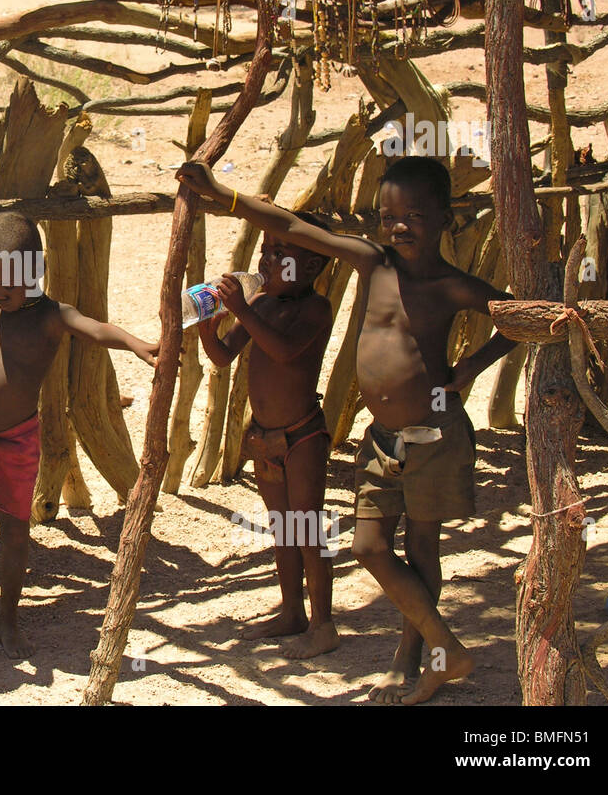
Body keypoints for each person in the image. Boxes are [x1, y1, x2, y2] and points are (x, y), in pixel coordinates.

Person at [177, 155, 515, 704]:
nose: (397, 225)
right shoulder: (373, 263)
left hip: (433, 435)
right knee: (369, 546)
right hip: (382, 441)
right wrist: (222, 193)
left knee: (424, 550)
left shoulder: (453, 286)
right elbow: (289, 224)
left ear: (446, 216)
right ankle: (445, 647)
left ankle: (413, 664)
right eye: (386, 215)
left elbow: (519, 314)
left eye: (413, 214)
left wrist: (473, 366)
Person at [0, 211, 159, 658]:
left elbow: (95, 328)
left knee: (14, 533)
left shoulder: (51, 316)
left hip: (16, 440)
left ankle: (8, 619)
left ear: (36, 272)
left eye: (8, 285)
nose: (0, 293)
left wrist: (137, 344)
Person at [197, 215, 338, 659]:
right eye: (266, 251)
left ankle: (324, 624)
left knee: (309, 528)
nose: (268, 261)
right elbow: (222, 356)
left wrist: (241, 309)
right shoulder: (260, 302)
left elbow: (282, 350)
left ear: (312, 268)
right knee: (283, 528)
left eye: (282, 254)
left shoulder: (315, 309)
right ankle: (292, 611)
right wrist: (206, 322)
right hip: (264, 439)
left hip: (302, 437)